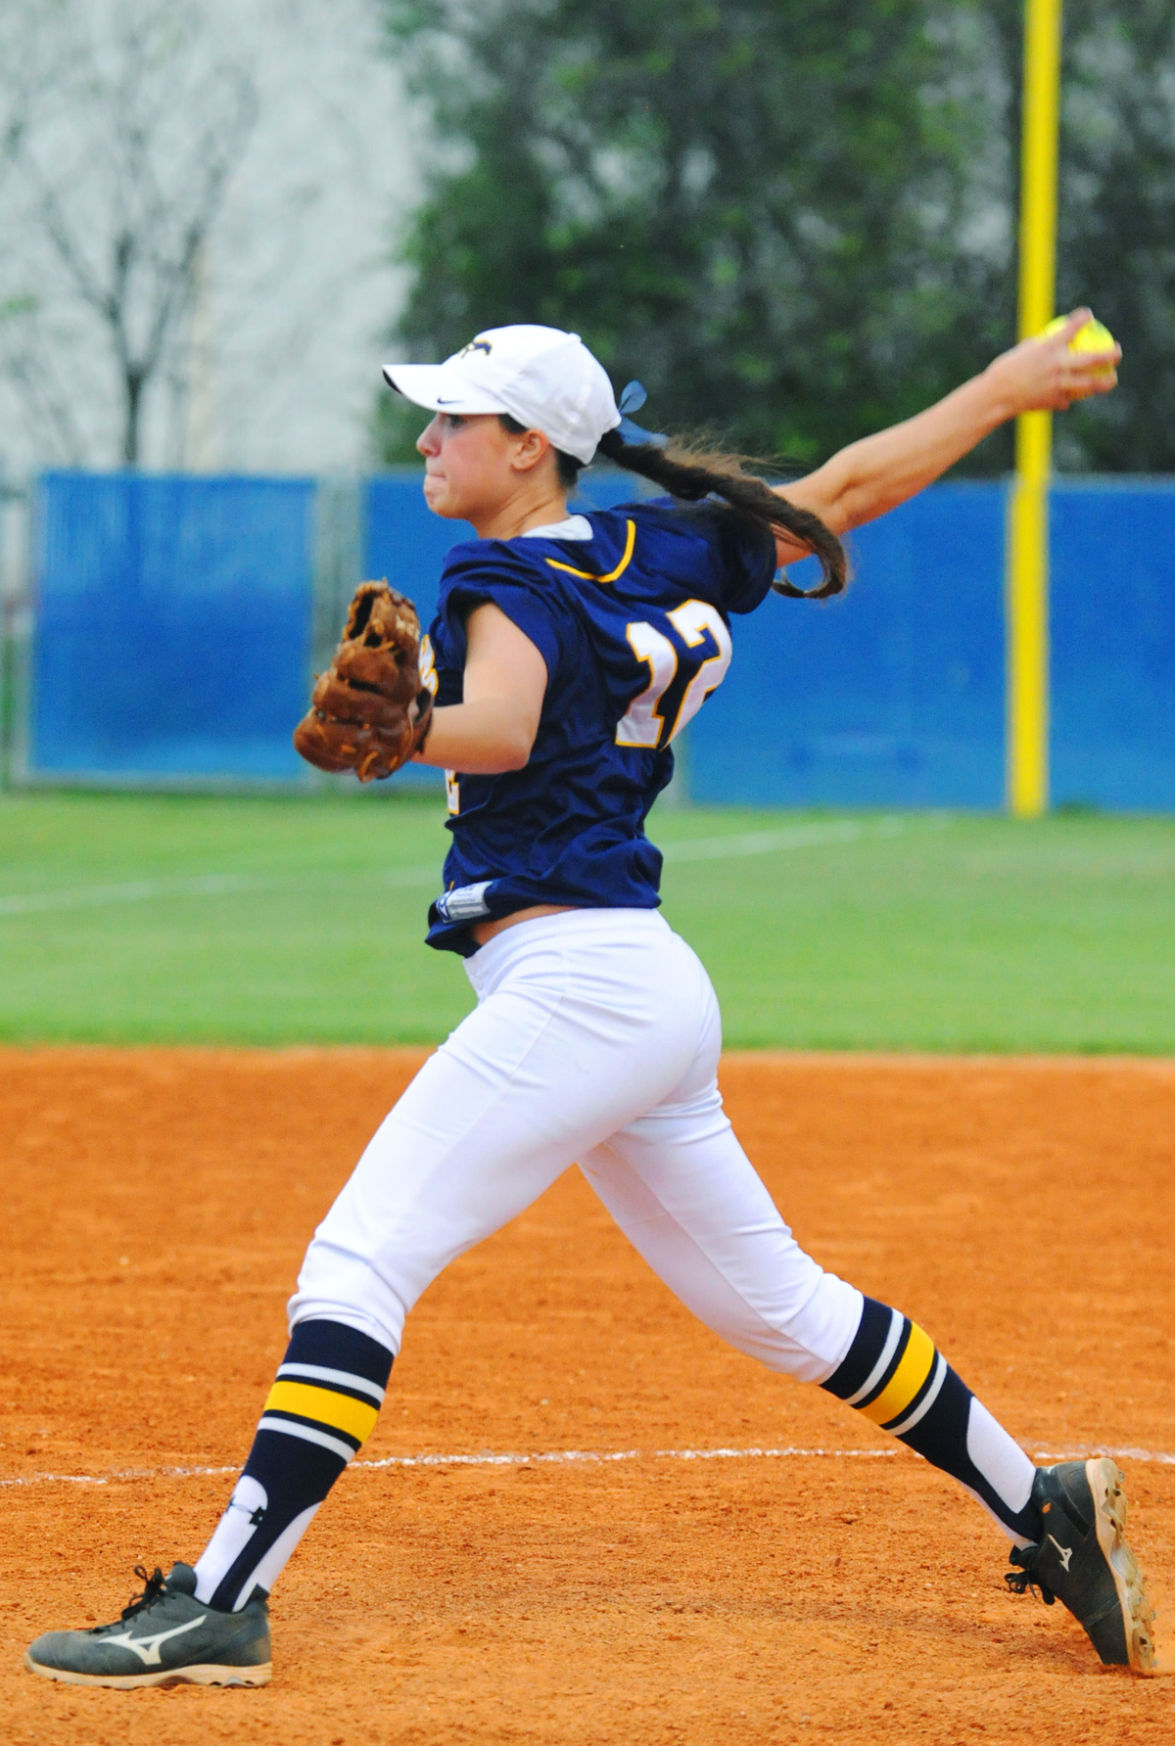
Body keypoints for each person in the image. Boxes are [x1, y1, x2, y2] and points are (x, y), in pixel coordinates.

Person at [25, 314, 1154, 1690]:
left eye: (455, 418)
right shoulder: (657, 547)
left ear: (527, 445)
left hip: (576, 988)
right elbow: (851, 488)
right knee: (786, 1311)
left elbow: (501, 726)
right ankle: (1042, 1502)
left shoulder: (501, 573)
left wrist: (405, 730)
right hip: (643, 986)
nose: (427, 437)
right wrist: (1002, 385)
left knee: (358, 1263)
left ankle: (222, 1600)